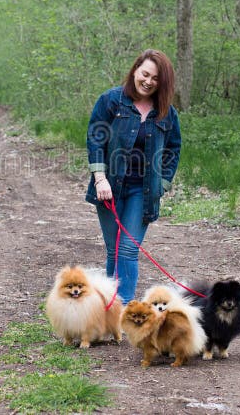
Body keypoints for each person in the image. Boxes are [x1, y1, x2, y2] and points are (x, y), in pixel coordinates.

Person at [85, 49, 181, 304]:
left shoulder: (166, 112)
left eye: (156, 78)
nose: (148, 81)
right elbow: (96, 139)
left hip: (144, 189)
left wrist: (162, 183)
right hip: (110, 185)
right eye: (145, 74)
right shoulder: (110, 101)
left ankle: (123, 309)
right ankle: (109, 307)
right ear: (136, 69)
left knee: (128, 249)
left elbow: (173, 148)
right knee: (114, 250)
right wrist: (100, 178)